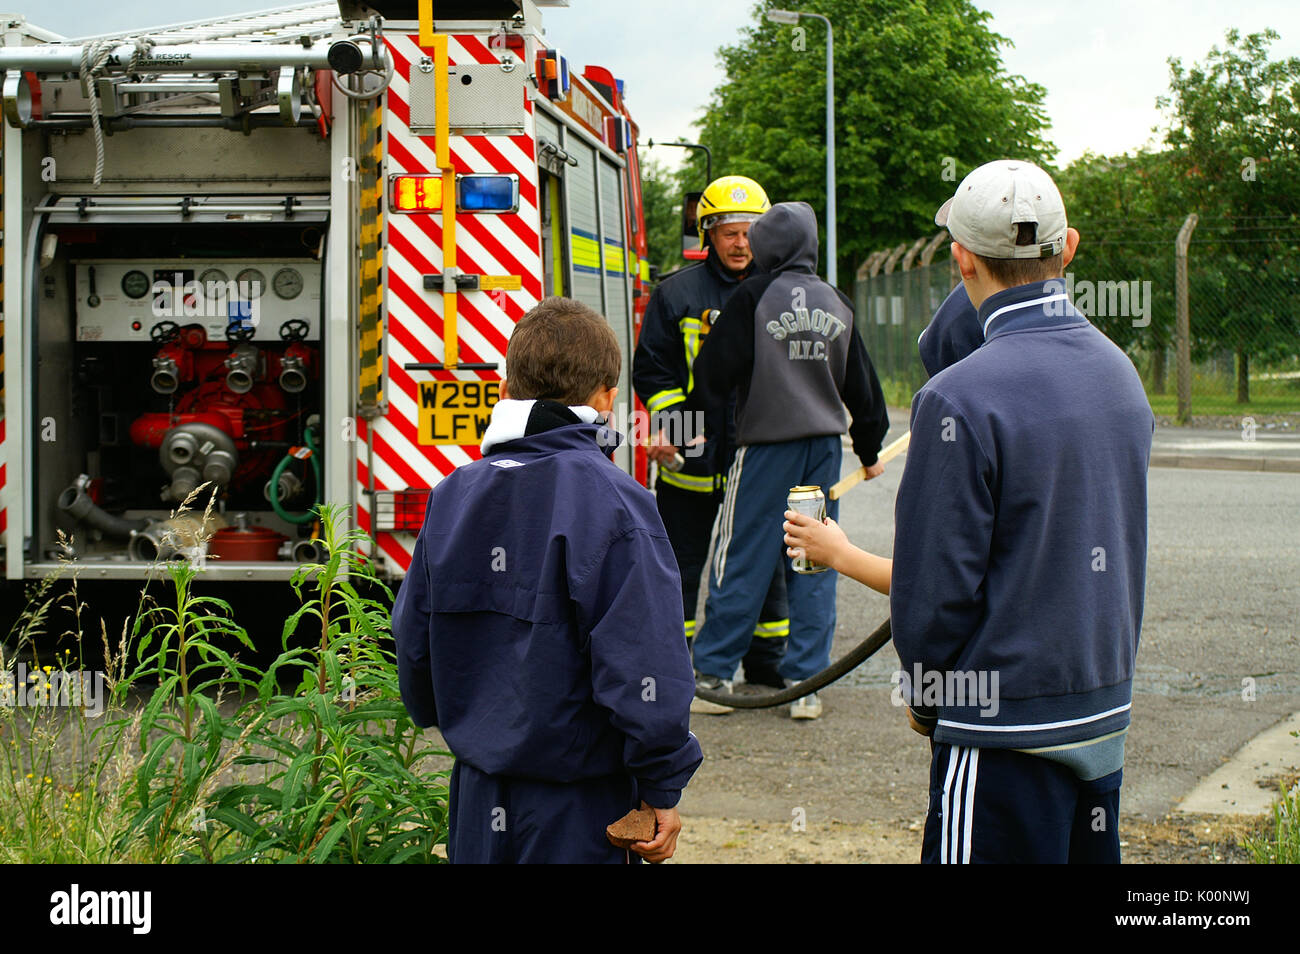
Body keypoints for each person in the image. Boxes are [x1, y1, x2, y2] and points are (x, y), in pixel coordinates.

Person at [891, 159, 1153, 863]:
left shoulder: (957, 397)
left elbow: (935, 593)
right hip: (1101, 712)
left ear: (960, 259)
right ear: (1067, 249)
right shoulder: (1120, 374)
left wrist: (928, 695)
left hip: (998, 727)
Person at [392, 296, 703, 864]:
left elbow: (413, 642)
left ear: (507, 388)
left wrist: (468, 723)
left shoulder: (453, 494)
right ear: (607, 398)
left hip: (478, 795)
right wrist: (662, 784)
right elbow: (644, 661)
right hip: (580, 807)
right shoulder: (616, 504)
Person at [682, 201, 891, 720]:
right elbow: (863, 387)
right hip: (822, 450)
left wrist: (692, 438)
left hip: (765, 449)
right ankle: (806, 681)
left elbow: (712, 376)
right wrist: (868, 450)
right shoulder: (836, 302)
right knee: (816, 557)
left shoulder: (753, 296)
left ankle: (713, 672)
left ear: (767, 246)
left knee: (743, 554)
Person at [632, 174, 790, 699]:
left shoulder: (784, 293)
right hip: (692, 459)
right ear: (709, 235)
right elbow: (652, 370)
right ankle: (679, 672)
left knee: (765, 562)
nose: (741, 242)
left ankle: (768, 670)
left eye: (750, 232)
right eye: (729, 233)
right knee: (681, 563)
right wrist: (678, 430)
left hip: (758, 456)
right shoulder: (677, 294)